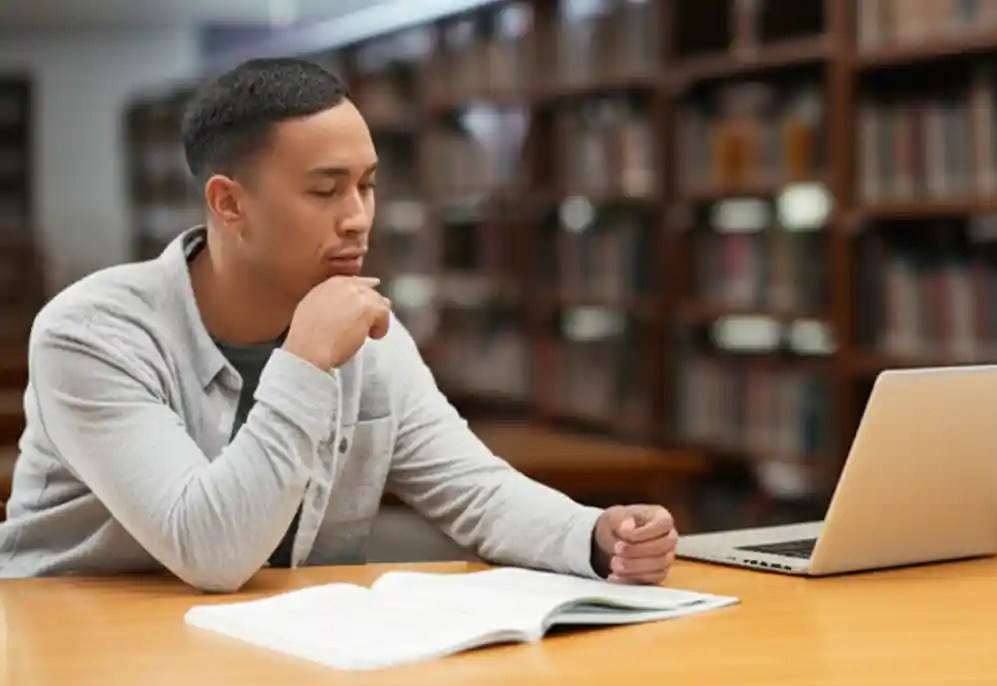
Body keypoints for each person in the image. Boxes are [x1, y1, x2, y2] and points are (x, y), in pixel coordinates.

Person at [0, 58, 677, 592]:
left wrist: (596, 533)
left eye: (368, 185)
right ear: (230, 204)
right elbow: (207, 550)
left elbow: (478, 491)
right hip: (77, 659)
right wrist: (305, 359)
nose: (357, 216)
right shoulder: (89, 333)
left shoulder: (369, 338)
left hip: (271, 657)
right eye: (325, 190)